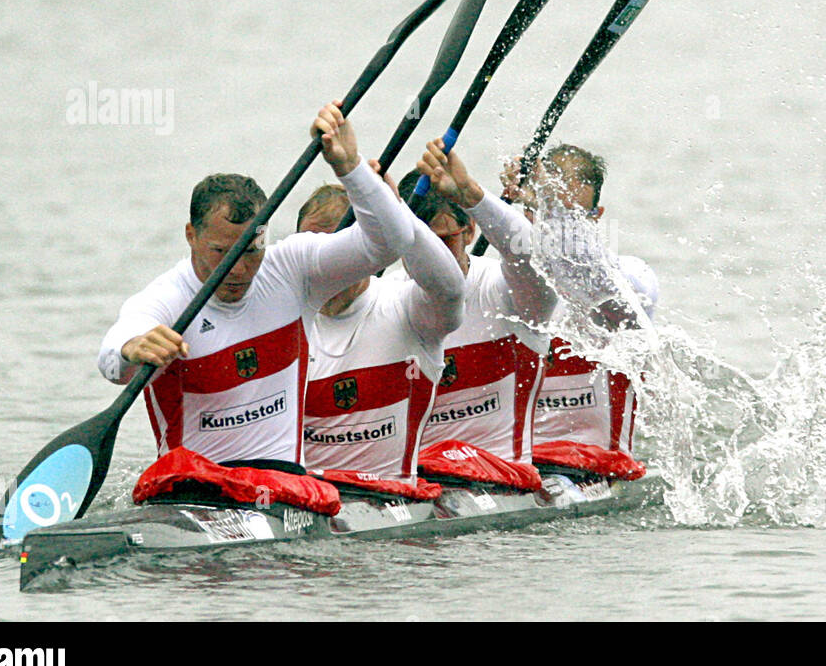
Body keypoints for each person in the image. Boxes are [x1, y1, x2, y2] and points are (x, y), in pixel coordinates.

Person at [96, 101, 414, 472]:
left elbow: (392, 242)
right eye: (221, 251)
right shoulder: (168, 298)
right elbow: (112, 361)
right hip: (195, 490)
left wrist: (350, 168)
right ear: (190, 236)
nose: (239, 269)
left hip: (284, 489)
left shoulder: (293, 270)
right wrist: (131, 348)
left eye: (251, 251)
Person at [298, 174, 464, 485]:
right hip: (307, 499)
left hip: (389, 496)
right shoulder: (283, 319)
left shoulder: (407, 308)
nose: (322, 266)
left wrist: (396, 210)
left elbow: (452, 290)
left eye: (334, 250)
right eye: (311, 251)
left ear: (363, 250)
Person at [410, 138, 557, 487]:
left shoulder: (507, 294)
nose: (434, 258)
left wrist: (473, 196)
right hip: (418, 485)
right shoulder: (387, 298)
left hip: (502, 482)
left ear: (470, 230)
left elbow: (528, 253)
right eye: (419, 244)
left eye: (444, 239)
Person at [511, 144, 657, 474]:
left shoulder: (634, 280)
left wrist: (549, 211)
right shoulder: (506, 285)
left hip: (596, 464)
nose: (557, 227)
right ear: (526, 212)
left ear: (597, 218)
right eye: (548, 213)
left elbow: (586, 274)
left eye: (574, 217)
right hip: (521, 464)